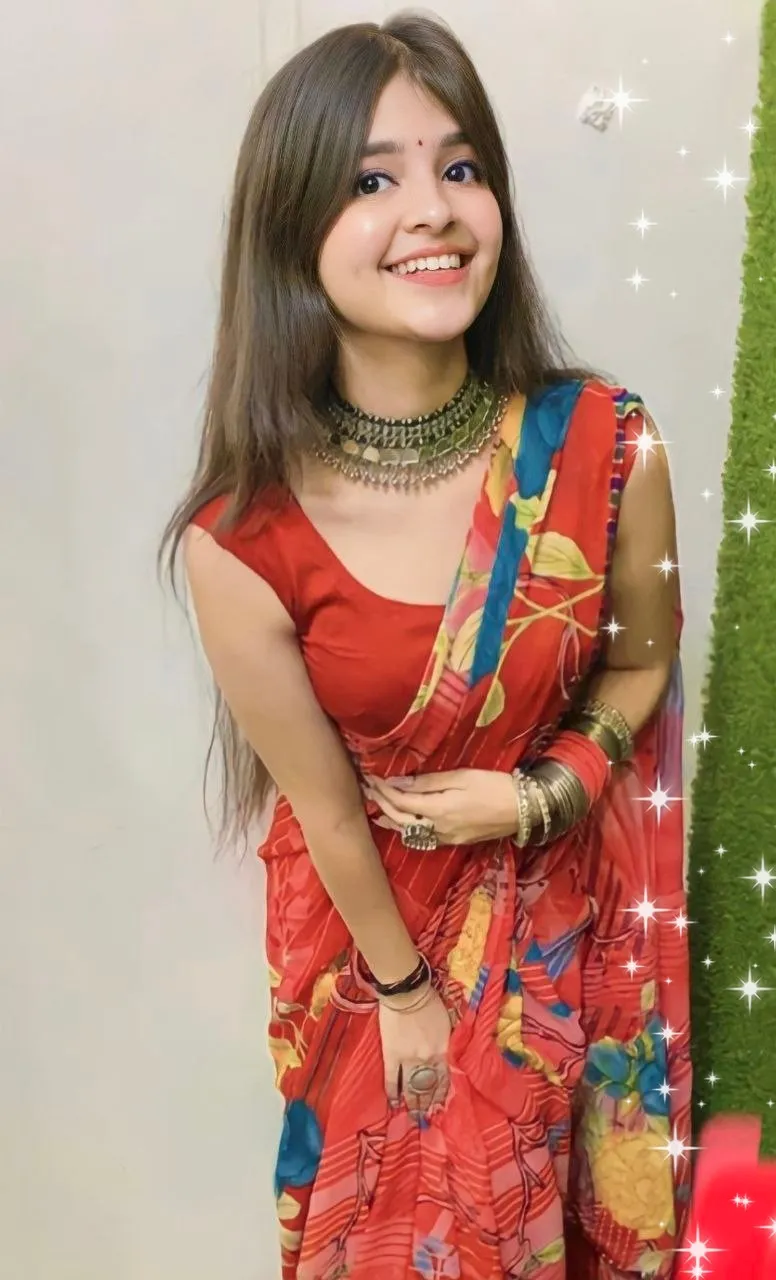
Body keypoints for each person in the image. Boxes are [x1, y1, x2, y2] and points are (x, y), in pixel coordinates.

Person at [159, 12, 692, 1279]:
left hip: (568, 946)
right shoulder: (241, 536)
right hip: (373, 967)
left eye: (459, 168)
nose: (433, 211)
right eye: (371, 181)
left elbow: (640, 661)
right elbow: (324, 810)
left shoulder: (603, 446)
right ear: (290, 231)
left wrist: (541, 791)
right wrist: (404, 993)